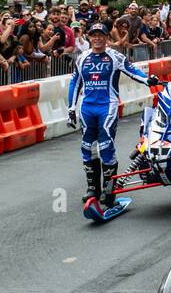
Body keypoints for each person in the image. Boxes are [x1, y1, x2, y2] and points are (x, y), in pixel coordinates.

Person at [67, 22, 160, 211]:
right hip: (87, 108)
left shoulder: (115, 56)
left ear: (106, 37)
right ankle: (93, 188)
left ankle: (109, 191)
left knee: (105, 147)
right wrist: (71, 108)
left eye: (101, 35)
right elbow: (75, 83)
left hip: (107, 107)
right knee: (88, 148)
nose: (97, 38)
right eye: (93, 35)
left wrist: (147, 80)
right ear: (89, 37)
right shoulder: (82, 57)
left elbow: (132, 70)